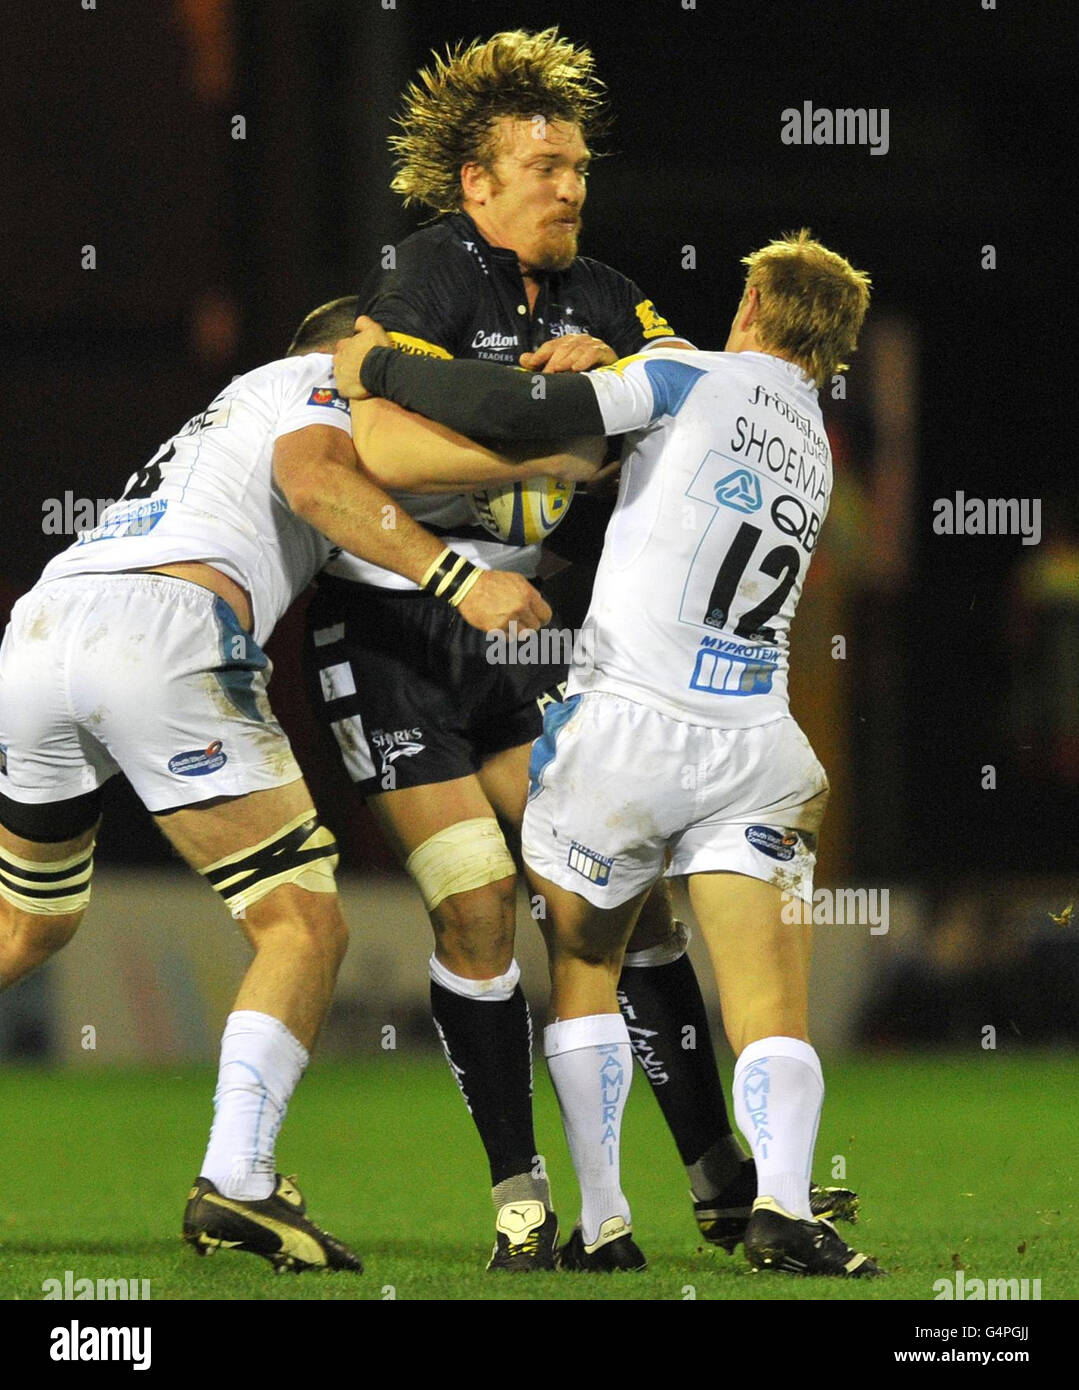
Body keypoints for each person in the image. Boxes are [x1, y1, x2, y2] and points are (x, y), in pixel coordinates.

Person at [307, 25, 853, 1271]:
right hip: (398, 625)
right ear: (476, 185)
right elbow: (379, 448)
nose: (567, 184)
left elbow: (679, 406)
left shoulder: (610, 297)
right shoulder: (426, 276)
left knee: (617, 903)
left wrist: (601, 382)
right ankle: (525, 1200)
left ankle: (712, 1173)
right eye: (540, 164)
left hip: (525, 629)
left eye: (576, 165)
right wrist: (559, 432)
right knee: (486, 908)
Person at [0, 298, 553, 1276]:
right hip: (165, 626)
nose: (405, 373)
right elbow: (314, 481)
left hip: (45, 628)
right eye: (393, 354)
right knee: (301, 925)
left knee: (25, 924)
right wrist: (462, 579)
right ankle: (237, 1179)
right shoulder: (313, 385)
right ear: (344, 350)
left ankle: (239, 1179)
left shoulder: (225, 414)